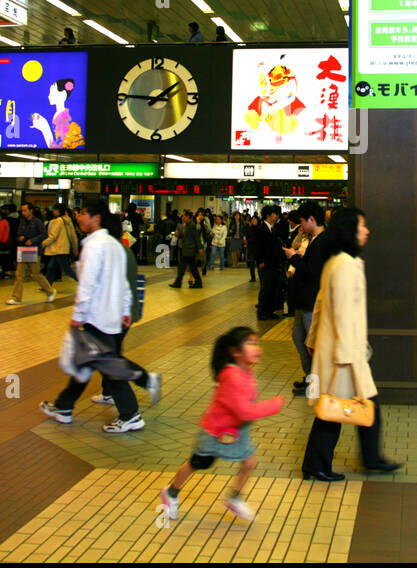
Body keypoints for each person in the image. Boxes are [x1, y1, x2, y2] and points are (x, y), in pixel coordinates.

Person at [40, 204, 161, 433]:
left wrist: (78, 316)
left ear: (96, 218)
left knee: (108, 367)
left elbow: (87, 284)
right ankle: (64, 407)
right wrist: (126, 310)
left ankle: (131, 414)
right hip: (112, 316)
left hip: (98, 317)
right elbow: (125, 282)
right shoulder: (114, 246)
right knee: (87, 363)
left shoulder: (94, 247)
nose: (78, 217)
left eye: (83, 213)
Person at [301, 207, 401, 480]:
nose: (367, 231)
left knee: (347, 407)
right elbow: (342, 312)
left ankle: (367, 459)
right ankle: (319, 465)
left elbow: (321, 304)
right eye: (361, 227)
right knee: (334, 411)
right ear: (349, 231)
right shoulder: (345, 264)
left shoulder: (338, 261)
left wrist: (313, 340)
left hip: (341, 349)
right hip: (344, 353)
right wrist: (349, 356)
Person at [158, 327, 285, 523]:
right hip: (215, 431)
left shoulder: (245, 371)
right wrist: (273, 405)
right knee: (198, 463)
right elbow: (244, 411)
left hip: (237, 430)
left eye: (257, 343)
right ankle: (171, 492)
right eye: (250, 343)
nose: (257, 347)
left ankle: (234, 498)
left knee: (249, 462)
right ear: (235, 352)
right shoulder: (233, 376)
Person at [283, 202, 329, 396]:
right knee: (299, 338)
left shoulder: (322, 241)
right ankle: (310, 378)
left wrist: (294, 258)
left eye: (302, 221)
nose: (301, 225)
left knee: (312, 344)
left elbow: (312, 272)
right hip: (305, 301)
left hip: (312, 301)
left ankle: (317, 383)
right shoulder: (314, 239)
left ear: (311, 219)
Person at [7, 202, 56, 304]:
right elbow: (18, 234)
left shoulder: (37, 222)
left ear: (31, 211)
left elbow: (44, 234)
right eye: (22, 211)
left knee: (35, 274)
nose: (23, 213)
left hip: (34, 250)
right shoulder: (22, 222)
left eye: (25, 210)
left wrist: (32, 240)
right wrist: (20, 238)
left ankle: (50, 291)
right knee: (19, 274)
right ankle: (16, 297)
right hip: (23, 249)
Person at [251, 205, 285, 319]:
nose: (276, 216)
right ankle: (262, 312)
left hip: (273, 263)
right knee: (266, 288)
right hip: (265, 263)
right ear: (268, 215)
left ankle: (269, 311)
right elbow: (256, 247)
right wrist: (260, 261)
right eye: (274, 214)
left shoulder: (272, 228)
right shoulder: (260, 229)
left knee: (272, 288)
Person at [169, 212, 202, 289]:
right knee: (192, 268)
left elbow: (196, 237)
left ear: (188, 217)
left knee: (182, 267)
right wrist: (179, 235)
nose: (182, 217)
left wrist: (200, 248)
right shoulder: (187, 225)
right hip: (187, 249)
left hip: (190, 250)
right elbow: (186, 236)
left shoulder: (192, 226)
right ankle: (198, 282)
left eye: (183, 216)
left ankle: (178, 282)